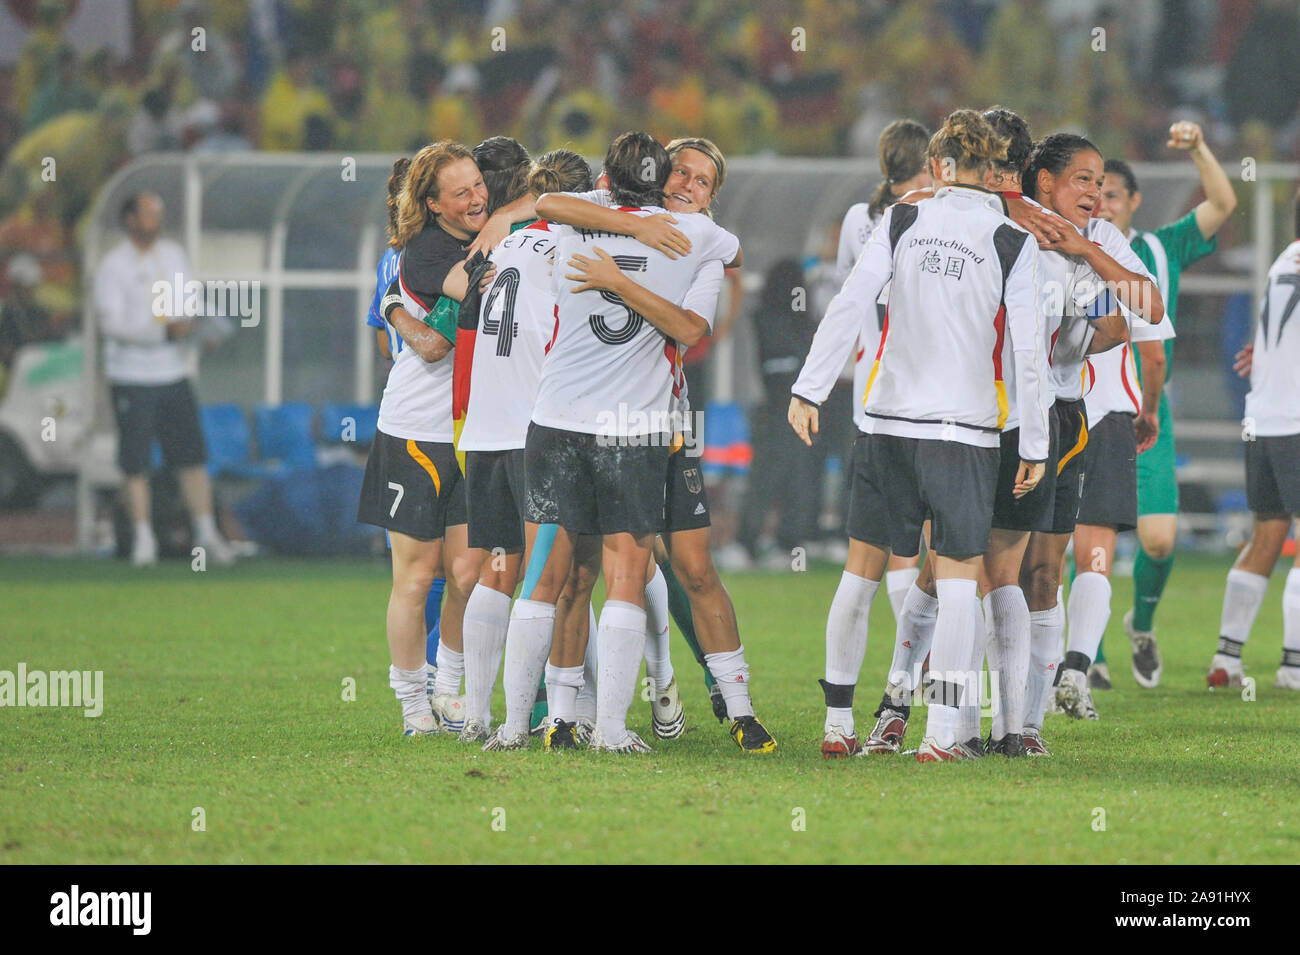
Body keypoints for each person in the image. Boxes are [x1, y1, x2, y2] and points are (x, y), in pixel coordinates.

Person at [789, 109, 1051, 762]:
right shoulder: (1013, 241)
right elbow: (1028, 352)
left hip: (883, 424)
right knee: (959, 580)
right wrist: (1036, 442)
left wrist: (808, 387)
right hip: (960, 428)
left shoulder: (901, 219)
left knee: (866, 569)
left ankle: (847, 719)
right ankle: (941, 733)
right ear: (988, 170)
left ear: (939, 167)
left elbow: (851, 300)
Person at [482, 131, 739, 754]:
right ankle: (616, 729)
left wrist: (615, 228)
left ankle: (517, 725)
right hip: (634, 428)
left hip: (556, 420)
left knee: (543, 578)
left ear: (602, 180)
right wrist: (651, 230)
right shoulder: (697, 237)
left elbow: (547, 205)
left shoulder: (571, 228)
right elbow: (726, 252)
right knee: (627, 579)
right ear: (661, 183)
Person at [547, 136, 776, 754]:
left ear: (712, 197)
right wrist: (636, 231)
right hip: (602, 426)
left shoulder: (699, 243)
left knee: (693, 570)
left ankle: (737, 705)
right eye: (680, 171)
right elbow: (551, 203)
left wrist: (618, 279)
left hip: (664, 429)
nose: (687, 185)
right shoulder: (618, 214)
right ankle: (605, 704)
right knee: (596, 573)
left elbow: (689, 329)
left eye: (703, 181)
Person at [1093, 122, 1237, 690]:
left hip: (1149, 412)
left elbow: (1224, 202)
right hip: (1091, 405)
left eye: (1111, 194)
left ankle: (1141, 625)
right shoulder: (1071, 247)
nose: (1099, 202)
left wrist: (1199, 148)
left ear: (1133, 202)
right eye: (1093, 191)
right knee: (1089, 536)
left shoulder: (1160, 247)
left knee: (1158, 540)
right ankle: (1090, 654)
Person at [455, 149, 593, 742]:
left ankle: (477, 715)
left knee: (498, 569)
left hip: (484, 426)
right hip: (536, 427)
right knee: (559, 578)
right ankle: (536, 721)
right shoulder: (574, 249)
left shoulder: (505, 243)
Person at [358, 141, 488, 736]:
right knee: (416, 578)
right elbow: (435, 346)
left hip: (473, 432)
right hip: (415, 431)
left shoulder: (487, 235)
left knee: (468, 575)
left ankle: (450, 694)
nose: (476, 198)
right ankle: (414, 706)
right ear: (433, 205)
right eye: (460, 193)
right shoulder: (426, 254)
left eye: (480, 185)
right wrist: (391, 310)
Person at [94, 191, 235, 567]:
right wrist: (162, 333)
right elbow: (111, 324)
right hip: (131, 375)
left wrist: (207, 329)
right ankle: (142, 539)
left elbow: (191, 301)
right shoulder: (113, 266)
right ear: (130, 220)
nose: (156, 220)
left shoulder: (172, 255)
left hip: (173, 372)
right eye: (149, 214)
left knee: (191, 457)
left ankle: (207, 535)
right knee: (135, 461)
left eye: (159, 213)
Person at [833, 119, 931, 622]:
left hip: (870, 397)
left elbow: (847, 300)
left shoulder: (858, 219)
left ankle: (902, 662)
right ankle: (923, 659)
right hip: (930, 393)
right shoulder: (934, 218)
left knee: (886, 538)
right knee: (933, 536)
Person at [1207, 191, 1300, 692]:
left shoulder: (1286, 257)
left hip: (1263, 419)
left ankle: (1227, 657)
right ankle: (1293, 666)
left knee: (1267, 536)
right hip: (1295, 420)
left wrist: (1264, 351)